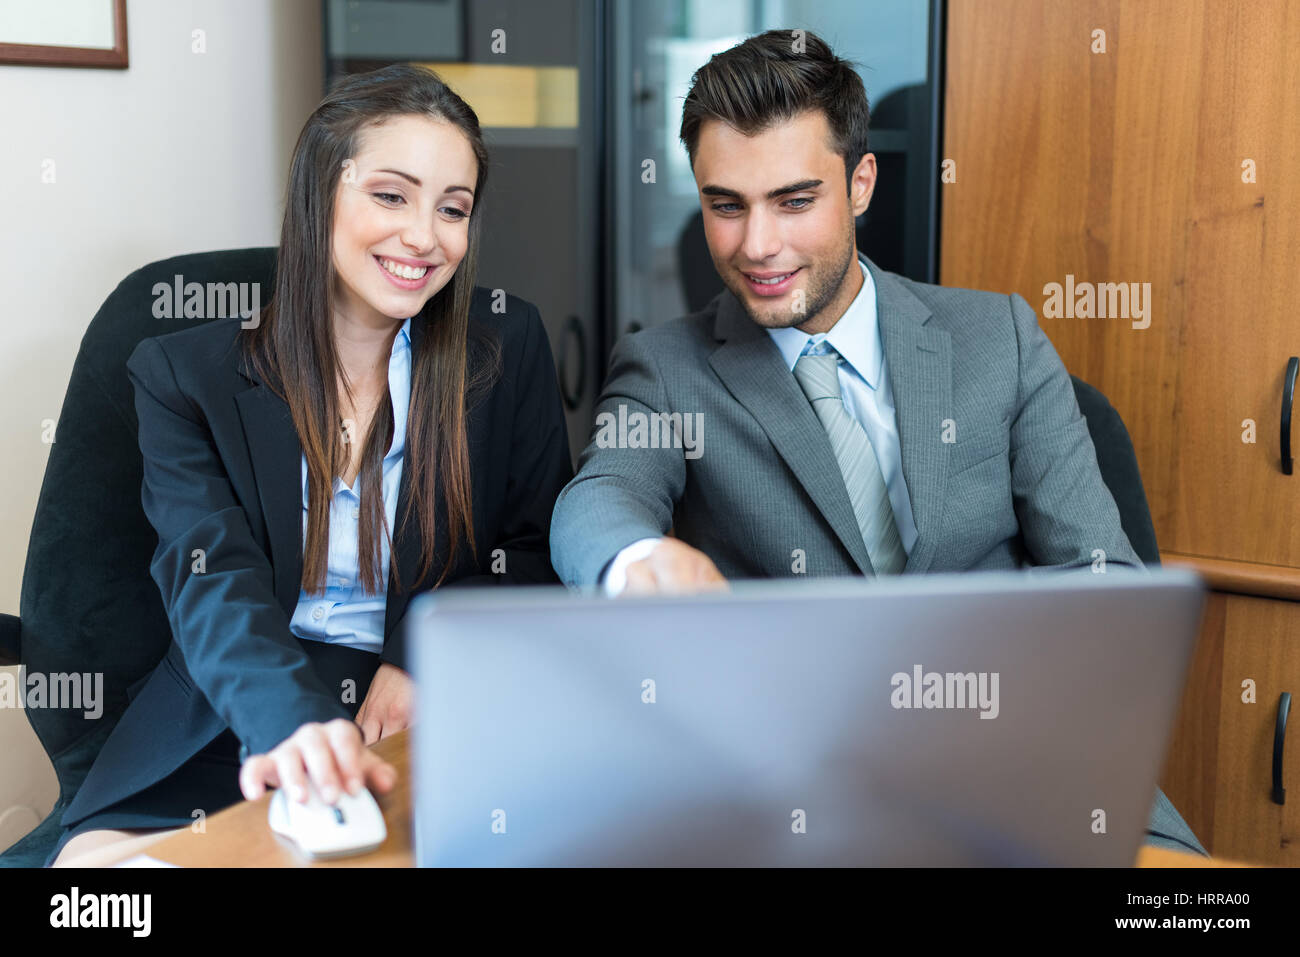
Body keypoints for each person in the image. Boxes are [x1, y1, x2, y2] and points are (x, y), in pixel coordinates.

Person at [549, 30, 1205, 855]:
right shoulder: (668, 368)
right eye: (726, 204)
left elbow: (1102, 581)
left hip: (1025, 758)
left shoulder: (996, 337)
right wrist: (634, 559)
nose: (757, 245)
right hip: (803, 790)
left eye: (793, 201)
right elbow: (598, 496)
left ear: (860, 184)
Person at [47, 63, 572, 866]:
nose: (425, 237)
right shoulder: (182, 375)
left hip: (424, 711)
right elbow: (209, 577)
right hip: (235, 713)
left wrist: (423, 652)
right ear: (318, 194)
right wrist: (292, 724)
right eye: (391, 196)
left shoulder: (507, 350)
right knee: (97, 890)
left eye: (453, 208)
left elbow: (534, 552)